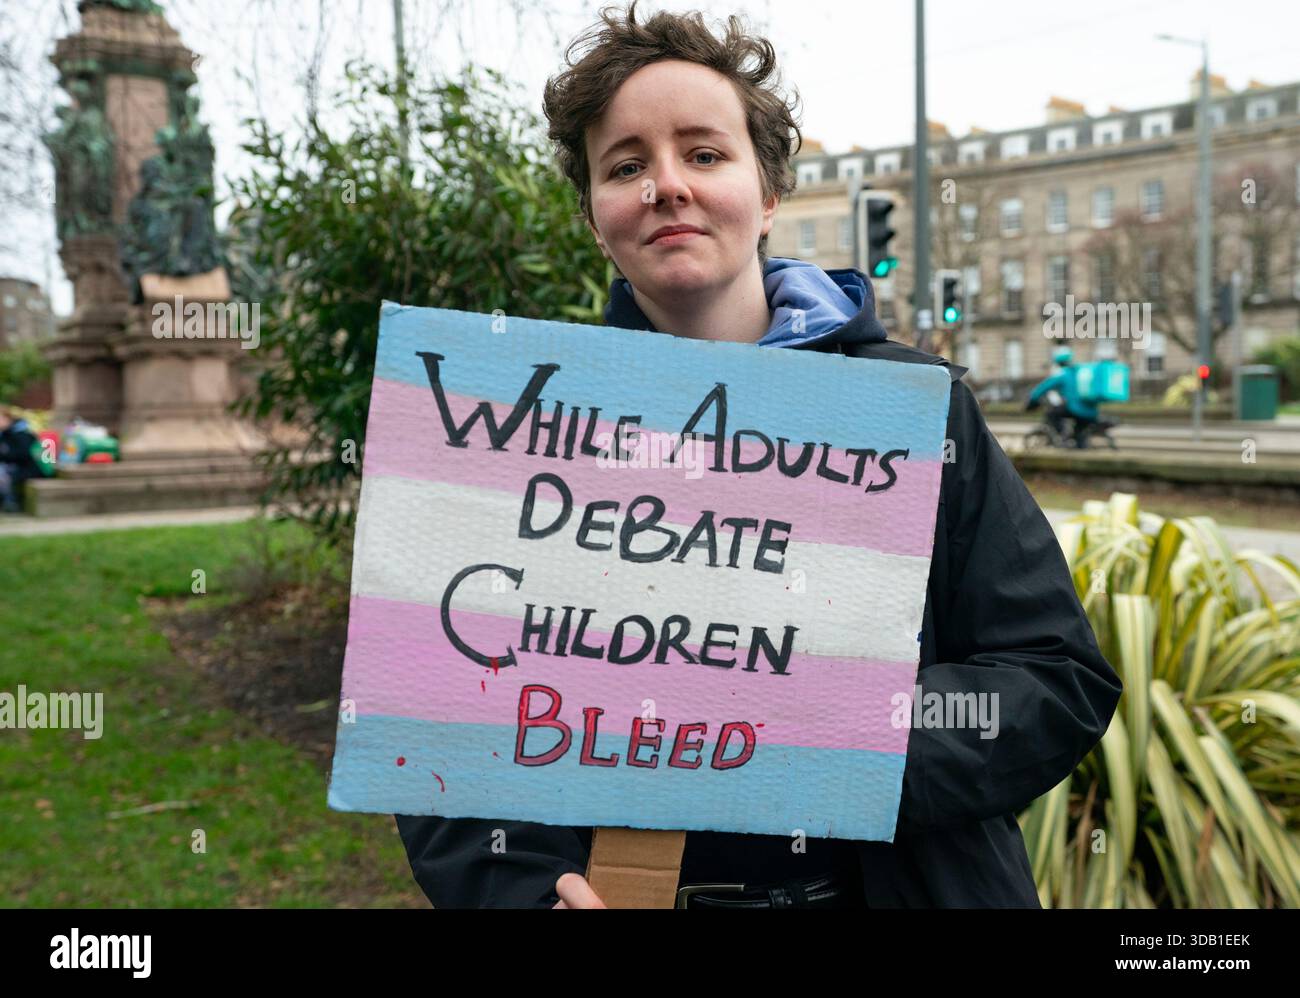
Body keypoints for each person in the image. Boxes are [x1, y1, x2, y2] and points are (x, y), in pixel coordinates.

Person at [394, 2, 1122, 909]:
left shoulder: (911, 413)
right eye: (625, 166)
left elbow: (1053, 676)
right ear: (594, 217)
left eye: (704, 153)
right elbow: (454, 725)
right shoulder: (530, 433)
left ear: (768, 192)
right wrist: (528, 892)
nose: (667, 186)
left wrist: (830, 751)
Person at [1027, 349, 1100, 449]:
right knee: (1079, 438)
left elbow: (1042, 388)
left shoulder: (1063, 375)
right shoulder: (1080, 372)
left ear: (1059, 362)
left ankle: (1062, 436)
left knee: (1052, 414)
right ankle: (1075, 444)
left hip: (1077, 409)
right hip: (1091, 410)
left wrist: (1032, 400)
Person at [0, 406, 43, 513]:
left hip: (29, 469)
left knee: (2, 474)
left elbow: (24, 455)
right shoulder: (5, 434)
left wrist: (5, 454)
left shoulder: (21, 433)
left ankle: (10, 502)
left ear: (7, 418)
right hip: (13, 467)